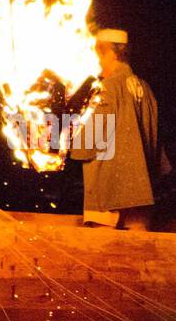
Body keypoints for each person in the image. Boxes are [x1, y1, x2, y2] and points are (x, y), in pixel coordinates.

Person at [68, 28, 170, 229]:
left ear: (111, 54)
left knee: (102, 256)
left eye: (96, 54)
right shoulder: (145, 88)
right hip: (141, 192)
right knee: (141, 254)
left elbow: (88, 144)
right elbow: (157, 146)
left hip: (108, 192)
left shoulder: (107, 88)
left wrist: (66, 137)